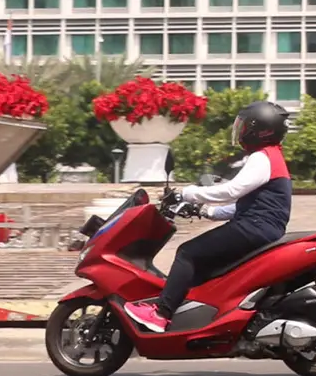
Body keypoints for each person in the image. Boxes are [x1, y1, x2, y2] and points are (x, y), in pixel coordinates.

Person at [123, 102, 291, 333]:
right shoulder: (272, 157)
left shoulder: (263, 157)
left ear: (260, 129)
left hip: (254, 227)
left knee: (187, 253)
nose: (240, 131)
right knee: (203, 266)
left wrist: (188, 193)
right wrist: (205, 211)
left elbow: (232, 191)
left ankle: (161, 314)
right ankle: (193, 314)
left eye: (244, 126)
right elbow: (243, 205)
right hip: (259, 226)